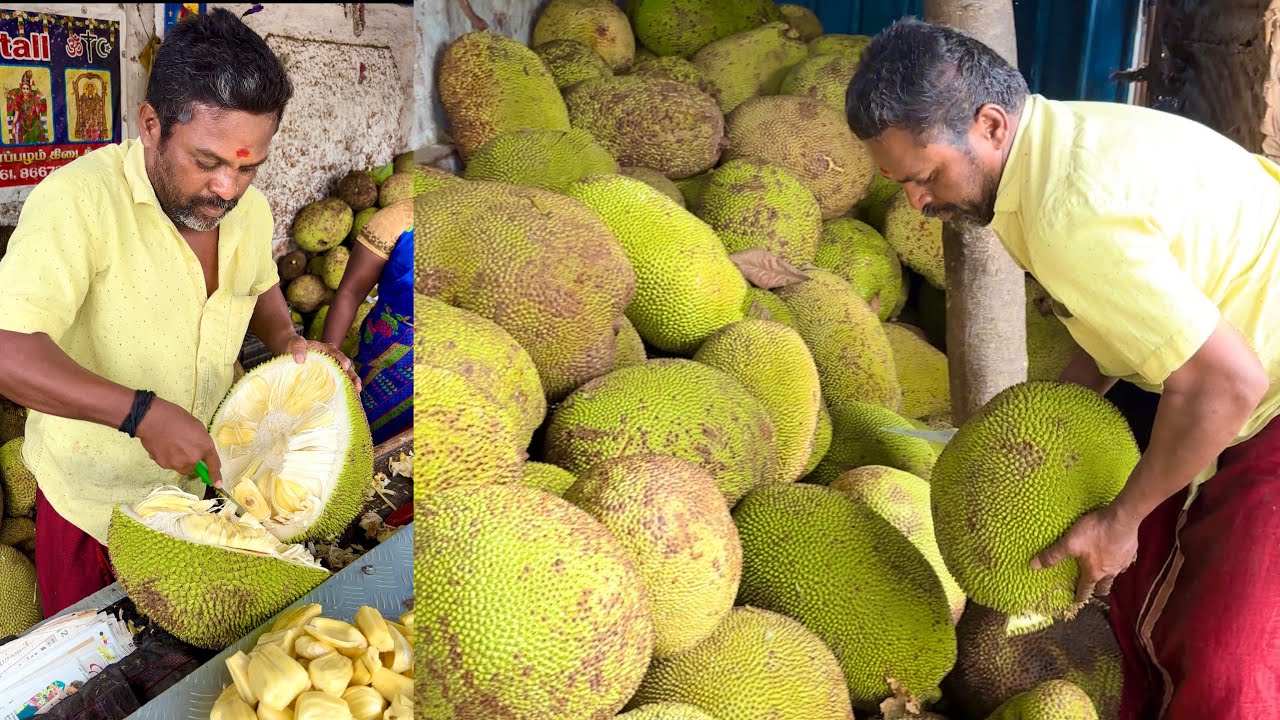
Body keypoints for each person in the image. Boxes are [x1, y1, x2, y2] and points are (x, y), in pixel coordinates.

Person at [846, 18, 1280, 720]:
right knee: (1142, 608)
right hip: (1233, 355)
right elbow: (1121, 314)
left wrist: (1121, 519)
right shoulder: (1054, 149)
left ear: (989, 124)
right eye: (901, 184)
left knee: (1224, 662)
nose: (916, 204)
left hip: (1259, 388)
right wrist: (1044, 434)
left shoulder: (1067, 210)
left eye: (925, 177)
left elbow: (1226, 383)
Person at [0, 8, 359, 619]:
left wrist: (289, 346)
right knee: (103, 683)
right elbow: (7, 350)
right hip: (96, 505)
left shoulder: (250, 210)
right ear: (151, 125)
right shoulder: (77, 201)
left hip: (209, 491)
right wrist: (137, 413)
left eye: (249, 166)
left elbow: (262, 291)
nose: (229, 187)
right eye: (209, 161)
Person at [321, 197, 413, 446]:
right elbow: (350, 293)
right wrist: (328, 363)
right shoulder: (398, 221)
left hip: (456, 365)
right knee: (359, 440)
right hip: (388, 357)